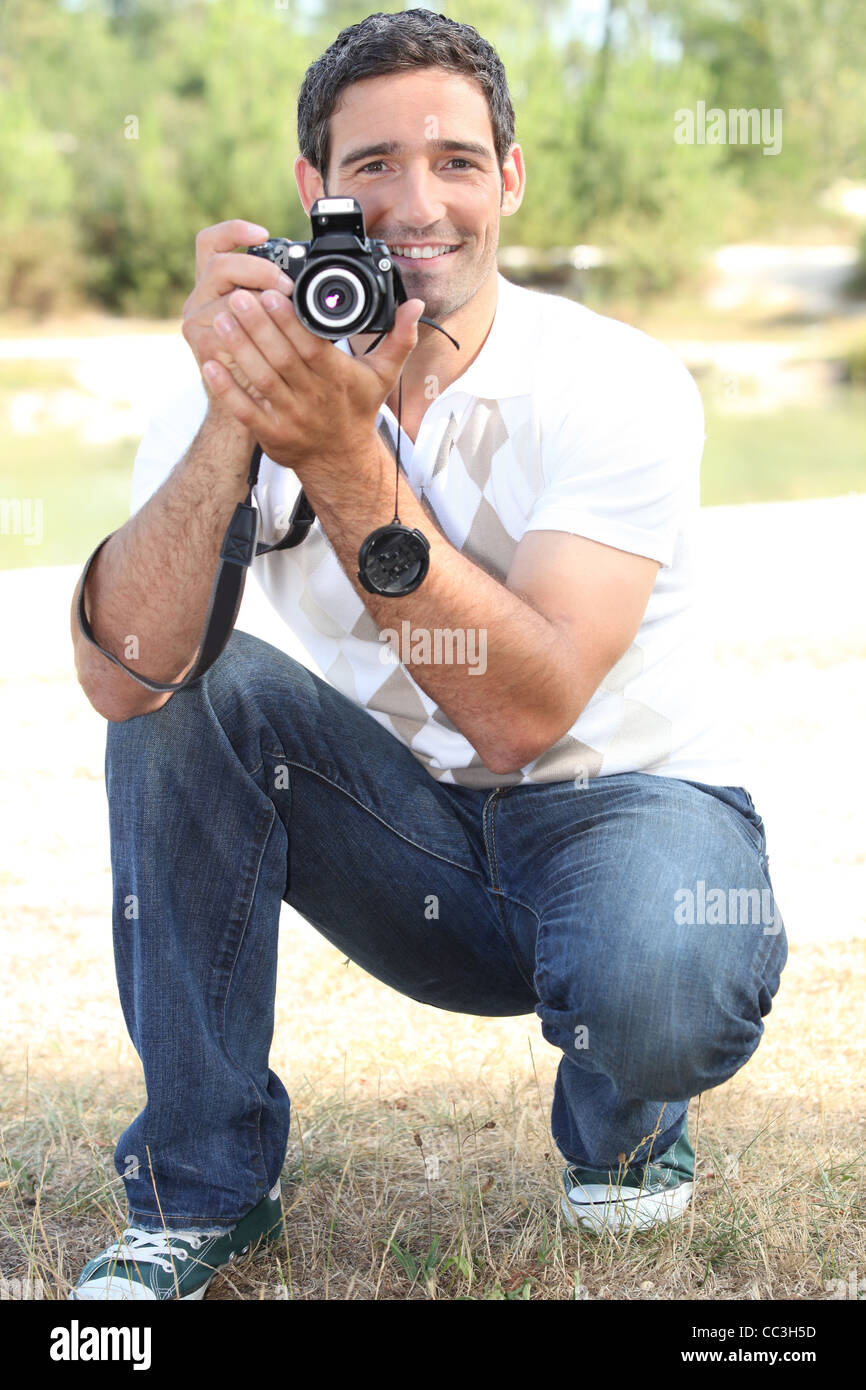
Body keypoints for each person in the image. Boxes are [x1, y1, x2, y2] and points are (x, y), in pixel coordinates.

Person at [68, 9, 786, 1301]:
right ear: (310, 193)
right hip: (400, 833)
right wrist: (238, 416)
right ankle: (198, 1187)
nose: (416, 203)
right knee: (192, 687)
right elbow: (125, 675)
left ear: (507, 178)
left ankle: (627, 1115)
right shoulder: (232, 372)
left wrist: (341, 457)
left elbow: (530, 712)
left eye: (455, 160)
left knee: (655, 967)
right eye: (371, 167)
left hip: (619, 808)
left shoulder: (611, 378)